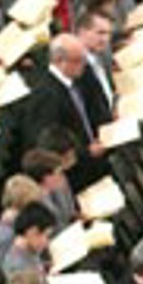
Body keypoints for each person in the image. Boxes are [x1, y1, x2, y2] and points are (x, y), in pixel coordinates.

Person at [22, 35, 108, 192]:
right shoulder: (45, 96)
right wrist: (85, 152)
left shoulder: (81, 78)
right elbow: (48, 142)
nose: (83, 65)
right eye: (77, 61)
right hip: (74, 172)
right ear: (60, 61)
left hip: (96, 157)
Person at [72, 11, 115, 130]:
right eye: (100, 33)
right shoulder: (76, 66)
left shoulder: (97, 58)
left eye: (108, 34)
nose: (105, 39)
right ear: (81, 32)